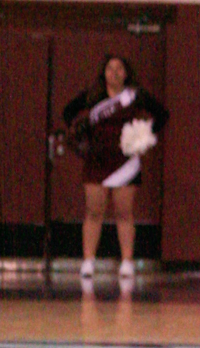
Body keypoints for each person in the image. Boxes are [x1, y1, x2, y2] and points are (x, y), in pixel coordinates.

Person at [61, 55, 169, 280]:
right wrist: (81, 134)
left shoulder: (136, 96)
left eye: (120, 68)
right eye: (110, 68)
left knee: (124, 213)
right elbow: (68, 112)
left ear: (127, 72)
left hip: (125, 161)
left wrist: (145, 135)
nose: (115, 72)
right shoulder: (92, 96)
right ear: (104, 73)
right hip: (97, 160)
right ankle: (88, 261)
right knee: (93, 211)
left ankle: (127, 262)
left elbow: (162, 114)